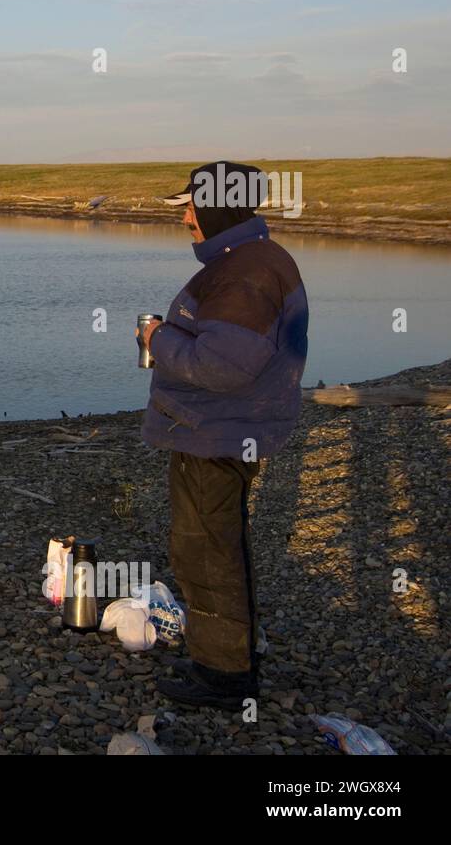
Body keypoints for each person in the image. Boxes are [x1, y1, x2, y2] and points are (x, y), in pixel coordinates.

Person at [137, 161, 309, 710]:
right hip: (213, 429)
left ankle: (224, 677)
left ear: (219, 206)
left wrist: (157, 337)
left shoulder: (246, 273)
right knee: (212, 544)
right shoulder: (247, 261)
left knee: (207, 550)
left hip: (217, 433)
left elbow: (220, 367)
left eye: (192, 204)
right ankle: (230, 659)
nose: (186, 215)